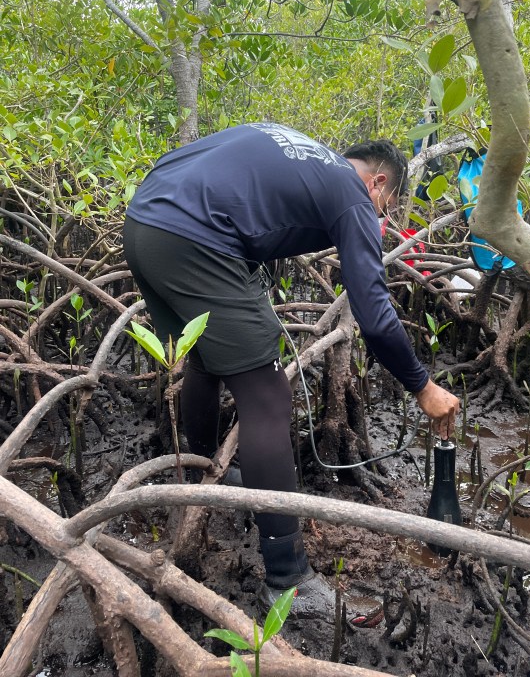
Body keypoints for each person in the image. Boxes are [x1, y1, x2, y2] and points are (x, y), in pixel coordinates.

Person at [123, 122, 458, 624]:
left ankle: (209, 471)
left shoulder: (305, 152)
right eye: (385, 209)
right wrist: (422, 385)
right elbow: (372, 309)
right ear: (379, 183)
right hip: (196, 239)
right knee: (269, 399)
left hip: (145, 224)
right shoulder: (352, 196)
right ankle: (289, 580)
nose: (380, 217)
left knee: (204, 358)